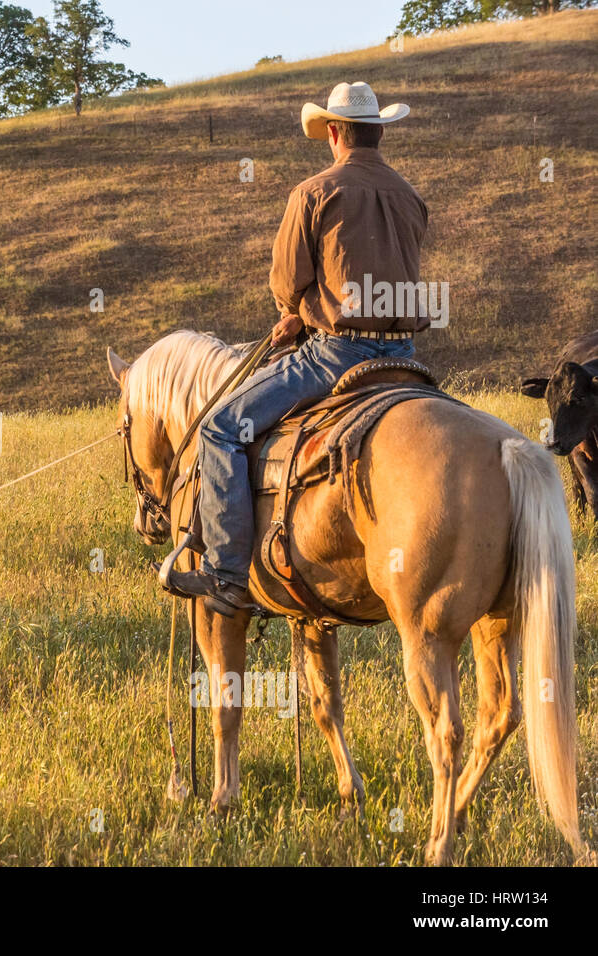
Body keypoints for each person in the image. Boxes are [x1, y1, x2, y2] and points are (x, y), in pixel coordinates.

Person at [167, 81, 429, 616]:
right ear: (378, 132)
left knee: (220, 427)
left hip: (339, 353)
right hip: (404, 355)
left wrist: (296, 314)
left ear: (334, 132)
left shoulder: (314, 192)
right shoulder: (410, 197)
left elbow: (288, 283)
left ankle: (226, 573)